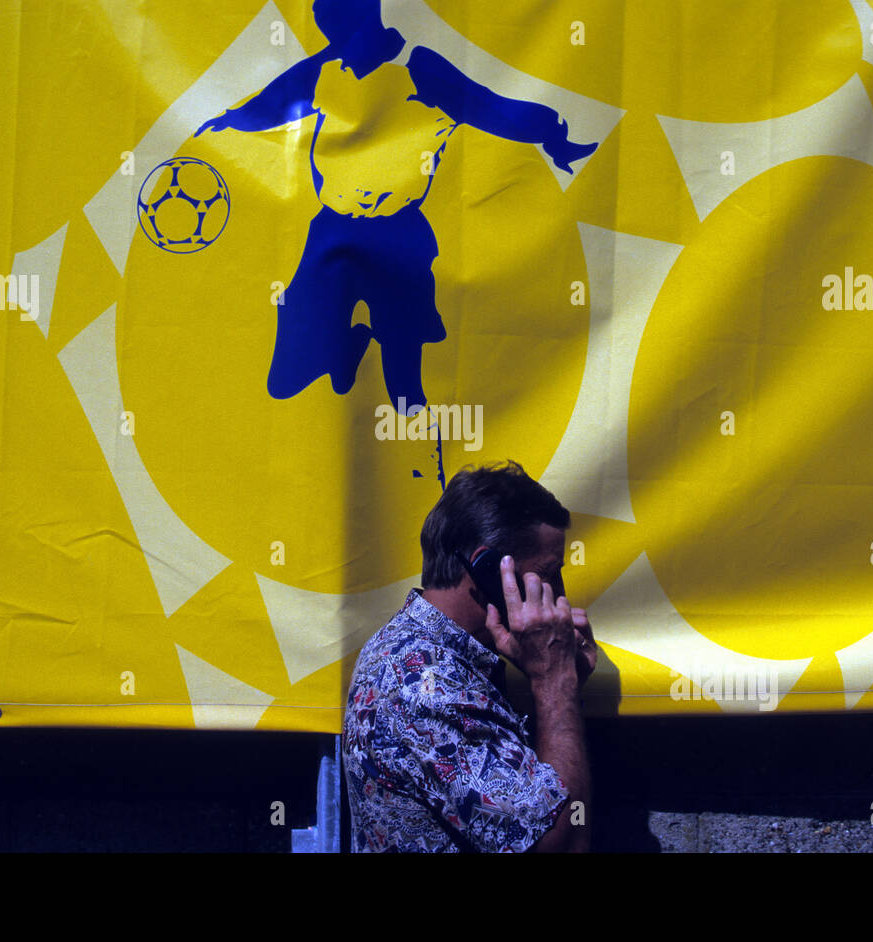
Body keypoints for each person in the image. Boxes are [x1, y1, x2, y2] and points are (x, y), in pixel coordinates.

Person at [197, 0, 598, 414]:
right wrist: (225, 120)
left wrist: (553, 133)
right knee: (284, 383)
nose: (322, 23)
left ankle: (417, 443)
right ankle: (349, 344)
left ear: (365, 14)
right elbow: (266, 106)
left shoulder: (419, 68)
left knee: (406, 396)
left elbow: (493, 109)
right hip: (332, 234)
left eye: (331, 14)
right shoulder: (321, 70)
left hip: (399, 237)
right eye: (319, 16)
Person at [342, 461, 596, 852]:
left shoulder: (418, 652)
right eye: (548, 574)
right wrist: (555, 681)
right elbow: (561, 843)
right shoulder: (427, 685)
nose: (560, 596)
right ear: (488, 570)